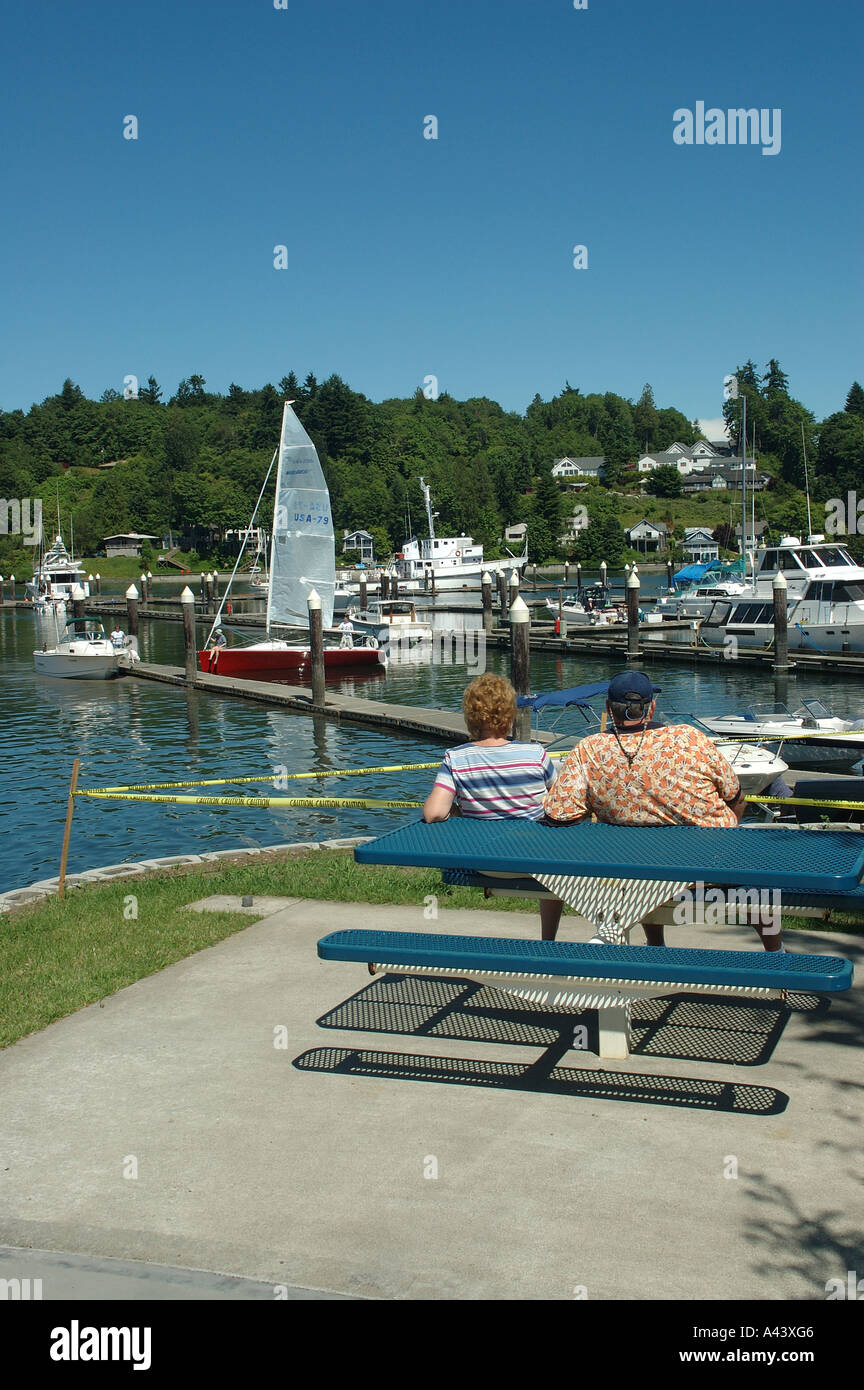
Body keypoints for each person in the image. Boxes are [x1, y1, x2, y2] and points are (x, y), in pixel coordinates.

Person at [543, 669, 782, 951]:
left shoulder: (589, 750)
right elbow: (735, 796)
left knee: (642, 845)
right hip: (711, 867)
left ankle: (656, 945)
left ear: (608, 707)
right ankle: (776, 951)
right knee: (758, 883)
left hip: (641, 877)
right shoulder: (689, 739)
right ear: (652, 706)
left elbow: (559, 814)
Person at [423, 673, 563, 940]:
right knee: (555, 862)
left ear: (471, 716)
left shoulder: (457, 758)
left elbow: (433, 813)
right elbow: (560, 804)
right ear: (509, 714)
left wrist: (459, 810)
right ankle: (548, 940)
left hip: (484, 863)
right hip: (536, 861)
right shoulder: (535, 754)